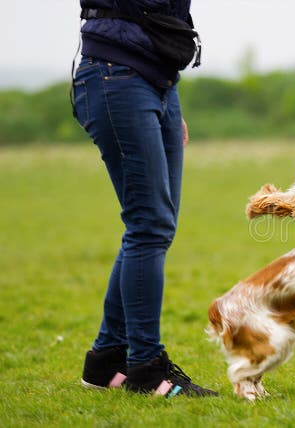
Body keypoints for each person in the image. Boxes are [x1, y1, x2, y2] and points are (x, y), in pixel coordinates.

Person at [72, 0, 216, 397]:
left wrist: (164, 104)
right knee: (149, 225)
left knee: (153, 227)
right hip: (115, 77)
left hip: (158, 84)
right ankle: (146, 368)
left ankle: (105, 362)